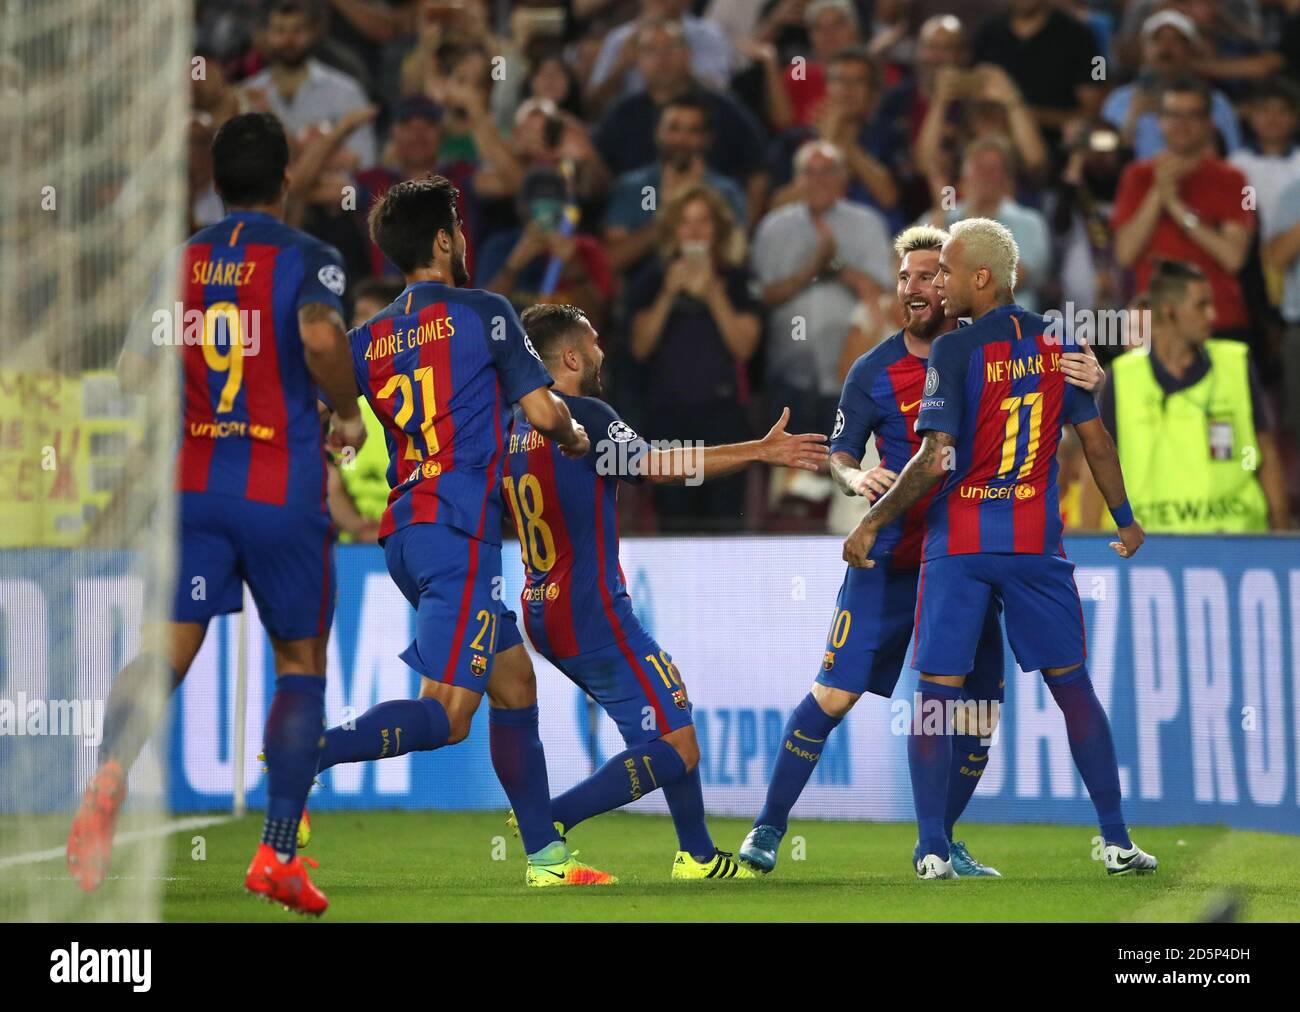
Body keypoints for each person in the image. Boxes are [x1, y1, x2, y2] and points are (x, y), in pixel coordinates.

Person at [68, 113, 367, 915]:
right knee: (299, 664)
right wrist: (346, 412)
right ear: (285, 182)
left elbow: (132, 375)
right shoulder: (308, 257)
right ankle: (275, 854)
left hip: (195, 489)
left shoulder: (182, 260)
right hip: (280, 490)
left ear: (213, 183)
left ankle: (105, 780)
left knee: (162, 652)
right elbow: (320, 336)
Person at [739, 225, 1104, 877]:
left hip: (964, 558)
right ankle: (768, 827)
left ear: (957, 282)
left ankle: (939, 841)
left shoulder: (992, 351)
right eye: (904, 276)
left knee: (978, 710)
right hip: (891, 562)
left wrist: (1086, 368)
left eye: (930, 276)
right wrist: (856, 480)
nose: (914, 288)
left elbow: (1062, 391)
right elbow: (842, 457)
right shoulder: (874, 370)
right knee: (834, 694)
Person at [313, 174, 618, 889]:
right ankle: (310, 749)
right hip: (458, 534)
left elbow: (326, 406)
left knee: (514, 686)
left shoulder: (369, 336)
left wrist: (341, 430)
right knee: (448, 718)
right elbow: (546, 415)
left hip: (408, 532)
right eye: (458, 225)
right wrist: (575, 436)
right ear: (446, 240)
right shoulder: (486, 312)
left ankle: (546, 858)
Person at [841, 217, 1158, 879]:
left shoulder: (955, 352)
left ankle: (931, 848)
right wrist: (1125, 519)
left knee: (938, 696)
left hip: (958, 545)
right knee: (1074, 689)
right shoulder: (1059, 339)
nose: (940, 283)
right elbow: (1094, 441)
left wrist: (872, 521)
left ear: (982, 278)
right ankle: (1117, 840)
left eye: (949, 271)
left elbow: (932, 460)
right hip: (1035, 546)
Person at [504, 304, 827, 878]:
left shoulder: (509, 428)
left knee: (666, 718)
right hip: (591, 610)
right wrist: (756, 450)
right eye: (595, 342)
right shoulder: (585, 416)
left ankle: (697, 855)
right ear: (571, 357)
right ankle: (547, 819)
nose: (603, 353)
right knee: (678, 748)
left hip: (541, 608)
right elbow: (658, 466)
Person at [1083, 260, 1288, 532]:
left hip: (1233, 546)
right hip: (1149, 553)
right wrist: (1086, 551)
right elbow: (1098, 463)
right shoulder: (1122, 378)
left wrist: (1282, 536)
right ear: (1169, 312)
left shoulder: (1235, 363)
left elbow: (1266, 454)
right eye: (1201, 305)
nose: (1213, 315)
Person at [627, 185, 762, 531]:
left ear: (717, 229)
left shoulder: (736, 280)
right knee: (676, 525)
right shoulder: (652, 279)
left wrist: (715, 295)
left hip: (724, 420)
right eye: (686, 223)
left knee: (726, 525)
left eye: (704, 222)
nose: (695, 231)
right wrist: (669, 295)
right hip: (668, 421)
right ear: (674, 231)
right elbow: (640, 347)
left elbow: (744, 348)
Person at [752, 140, 894, 439]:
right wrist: (810, 271)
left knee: (847, 477)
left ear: (844, 177)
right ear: (796, 179)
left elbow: (882, 293)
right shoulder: (773, 227)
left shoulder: (867, 223)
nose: (818, 180)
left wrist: (836, 266)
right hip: (789, 376)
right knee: (790, 478)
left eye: (828, 171)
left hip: (853, 378)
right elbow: (763, 296)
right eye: (809, 172)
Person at [1112, 75, 1255, 340]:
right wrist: (1157, 194)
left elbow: (1233, 258)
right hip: (1155, 325)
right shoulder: (1136, 176)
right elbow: (1124, 254)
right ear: (1160, 121)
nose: (1181, 124)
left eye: (1192, 115)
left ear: (1209, 123)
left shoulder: (1235, 179)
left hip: (1220, 321)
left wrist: (1177, 208)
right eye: (1173, 115)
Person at [603, 93, 748, 275]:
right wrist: (669, 210)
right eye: (673, 128)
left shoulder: (726, 191)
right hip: (643, 293)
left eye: (693, 131)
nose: (682, 139)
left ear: (707, 139)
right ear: (657, 132)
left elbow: (738, 257)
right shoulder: (635, 188)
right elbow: (611, 262)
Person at [242, 1, 378, 168]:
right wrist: (323, 153)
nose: (289, 39)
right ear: (265, 36)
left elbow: (363, 161)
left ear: (313, 33)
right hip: (264, 193)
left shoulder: (346, 91)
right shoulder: (247, 92)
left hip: (336, 192)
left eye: (298, 30)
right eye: (280, 30)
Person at [1100, 10, 1242, 160]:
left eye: (1177, 40)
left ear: (1191, 50)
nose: (1166, 47)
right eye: (1157, 39)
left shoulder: (1216, 103)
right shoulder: (1118, 100)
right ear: (1144, 49)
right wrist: (1131, 120)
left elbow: (1231, 158)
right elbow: (1104, 163)